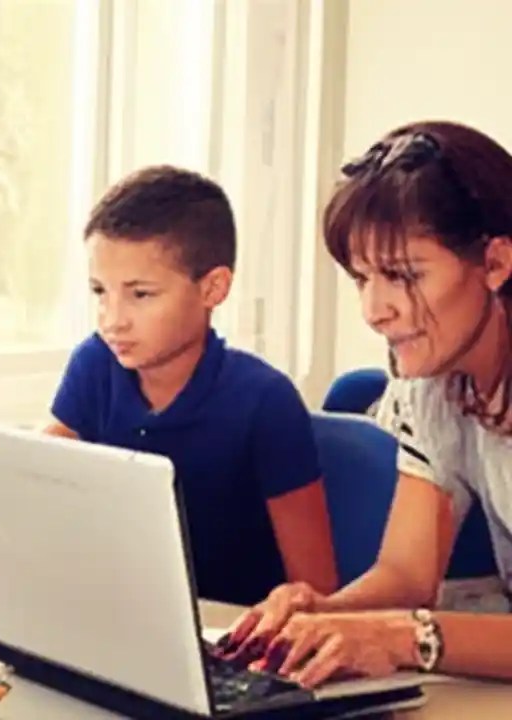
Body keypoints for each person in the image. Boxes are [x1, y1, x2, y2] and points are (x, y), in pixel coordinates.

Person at [219, 122, 512, 687]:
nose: (374, 309)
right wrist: (322, 617)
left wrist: (405, 637)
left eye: (403, 275)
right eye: (362, 278)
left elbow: (410, 616)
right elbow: (406, 575)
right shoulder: (431, 384)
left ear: (495, 263)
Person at [46, 165, 338, 606]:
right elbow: (35, 492)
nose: (112, 319)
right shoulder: (94, 364)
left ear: (213, 288)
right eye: (99, 292)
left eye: (140, 294)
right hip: (119, 620)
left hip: (231, 640)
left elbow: (316, 591)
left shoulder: (265, 402)